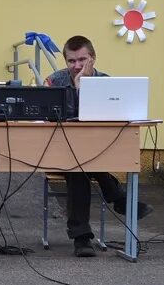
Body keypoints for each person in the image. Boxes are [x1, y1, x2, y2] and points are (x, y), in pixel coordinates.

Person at [44, 35, 152, 257]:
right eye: (71, 61)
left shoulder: (107, 83)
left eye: (82, 60)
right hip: (61, 151)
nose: (76, 66)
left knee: (81, 166)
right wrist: (77, 89)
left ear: (92, 58)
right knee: (79, 164)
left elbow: (111, 118)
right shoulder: (53, 82)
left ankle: (81, 238)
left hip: (96, 152)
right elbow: (58, 118)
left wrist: (88, 87)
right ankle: (118, 197)